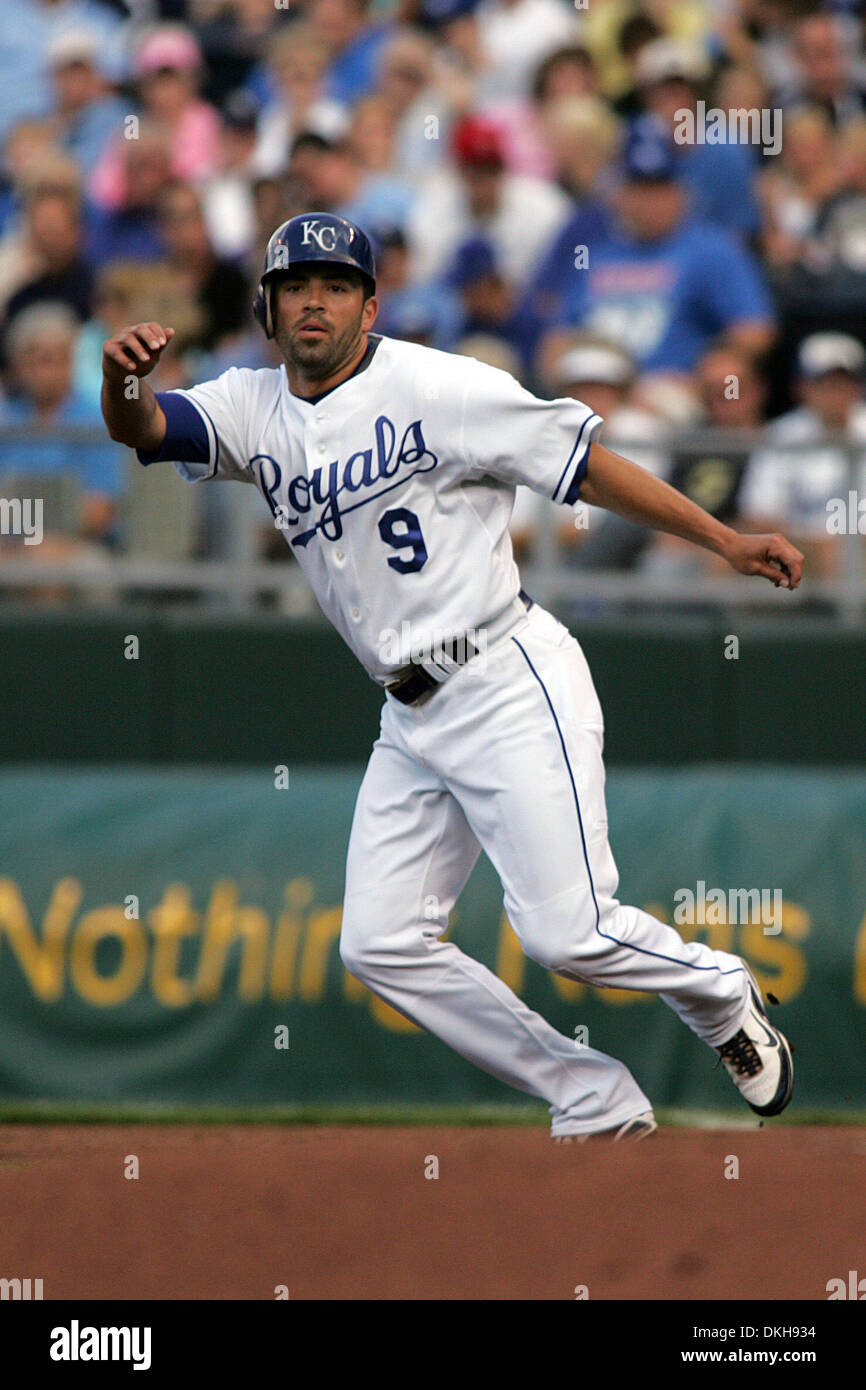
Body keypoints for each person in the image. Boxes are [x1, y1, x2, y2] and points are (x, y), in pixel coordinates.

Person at [100, 211, 801, 1142]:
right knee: (380, 944)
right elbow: (142, 427)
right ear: (268, 308)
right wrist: (120, 380)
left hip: (506, 673)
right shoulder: (249, 406)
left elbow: (585, 466)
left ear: (370, 303)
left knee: (568, 936)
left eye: (337, 285)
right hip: (409, 716)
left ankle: (718, 991)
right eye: (296, 286)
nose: (316, 300)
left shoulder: (438, 387)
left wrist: (724, 540)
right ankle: (591, 1094)